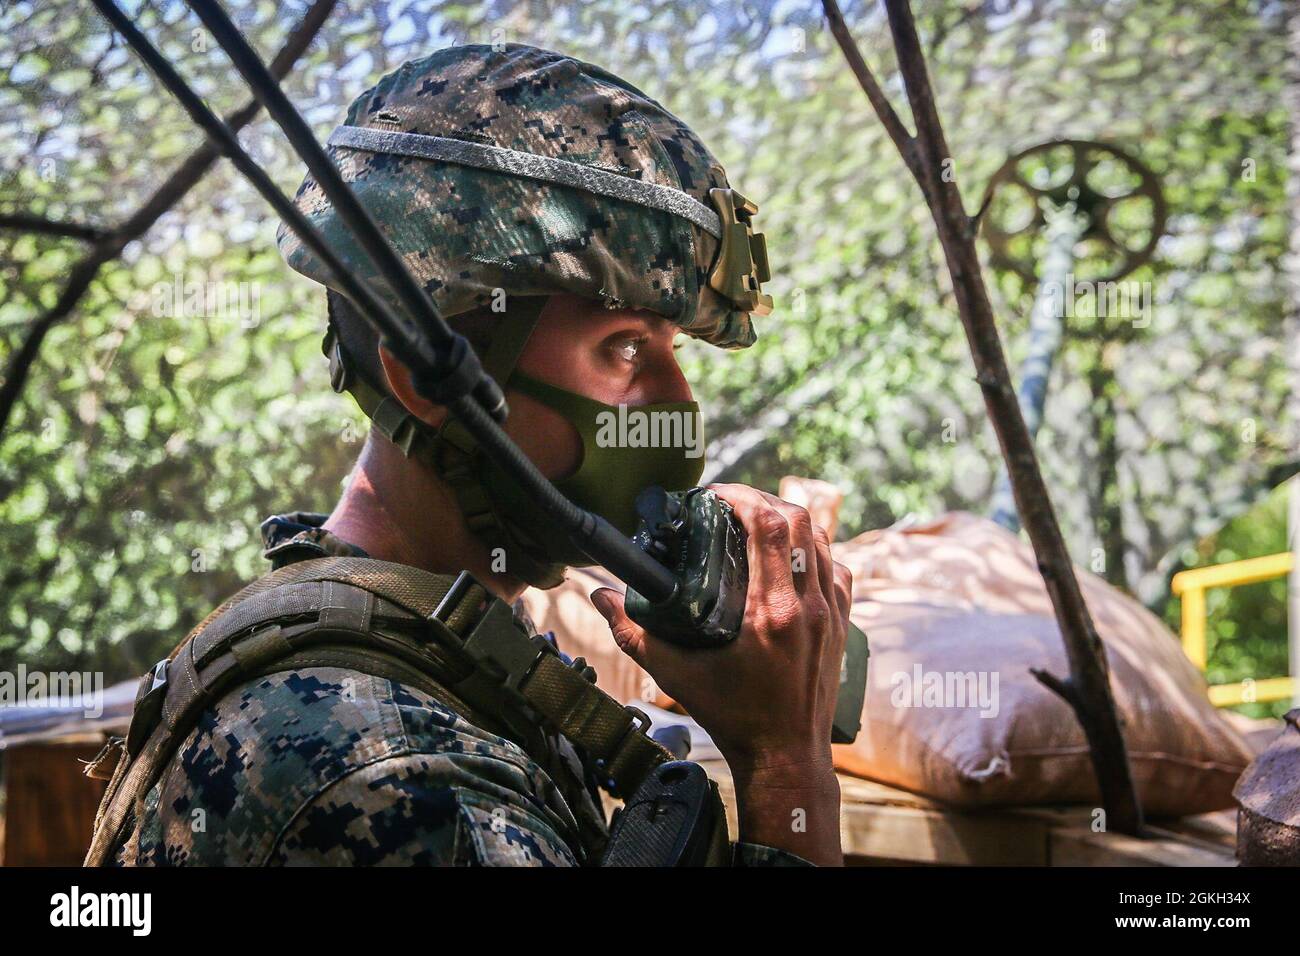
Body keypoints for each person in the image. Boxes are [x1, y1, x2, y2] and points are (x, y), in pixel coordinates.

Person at [102, 43, 852, 867]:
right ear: (425, 377)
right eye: (623, 347)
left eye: (675, 351)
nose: (678, 408)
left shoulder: (428, 648)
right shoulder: (399, 776)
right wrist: (786, 766)